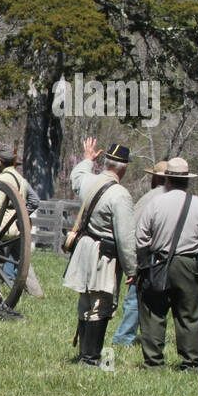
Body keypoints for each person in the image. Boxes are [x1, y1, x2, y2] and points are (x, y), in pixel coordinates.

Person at [135, 158, 198, 370]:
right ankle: (190, 363)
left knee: (153, 312)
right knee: (189, 315)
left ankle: (153, 361)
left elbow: (141, 237)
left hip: (157, 261)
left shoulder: (155, 203)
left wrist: (143, 263)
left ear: (167, 180)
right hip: (189, 263)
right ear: (187, 181)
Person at [62, 138, 136, 367]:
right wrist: (132, 268)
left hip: (84, 247)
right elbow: (125, 238)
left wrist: (86, 160)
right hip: (102, 253)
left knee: (85, 302)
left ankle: (85, 354)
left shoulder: (89, 182)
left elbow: (76, 177)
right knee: (100, 305)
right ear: (123, 169)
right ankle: (90, 358)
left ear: (105, 164)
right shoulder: (120, 195)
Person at [111, 161, 168, 345]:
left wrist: (132, 260)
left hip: (149, 255)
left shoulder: (151, 197)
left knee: (135, 298)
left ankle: (123, 338)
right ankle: (154, 337)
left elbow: (132, 226)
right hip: (171, 256)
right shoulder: (182, 197)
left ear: (157, 178)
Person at [0, 147, 44, 298]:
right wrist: (22, 214)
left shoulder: (3, 179)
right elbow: (34, 201)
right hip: (18, 225)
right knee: (22, 261)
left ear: (0, 162)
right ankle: (36, 293)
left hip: (3, 227)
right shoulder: (21, 179)